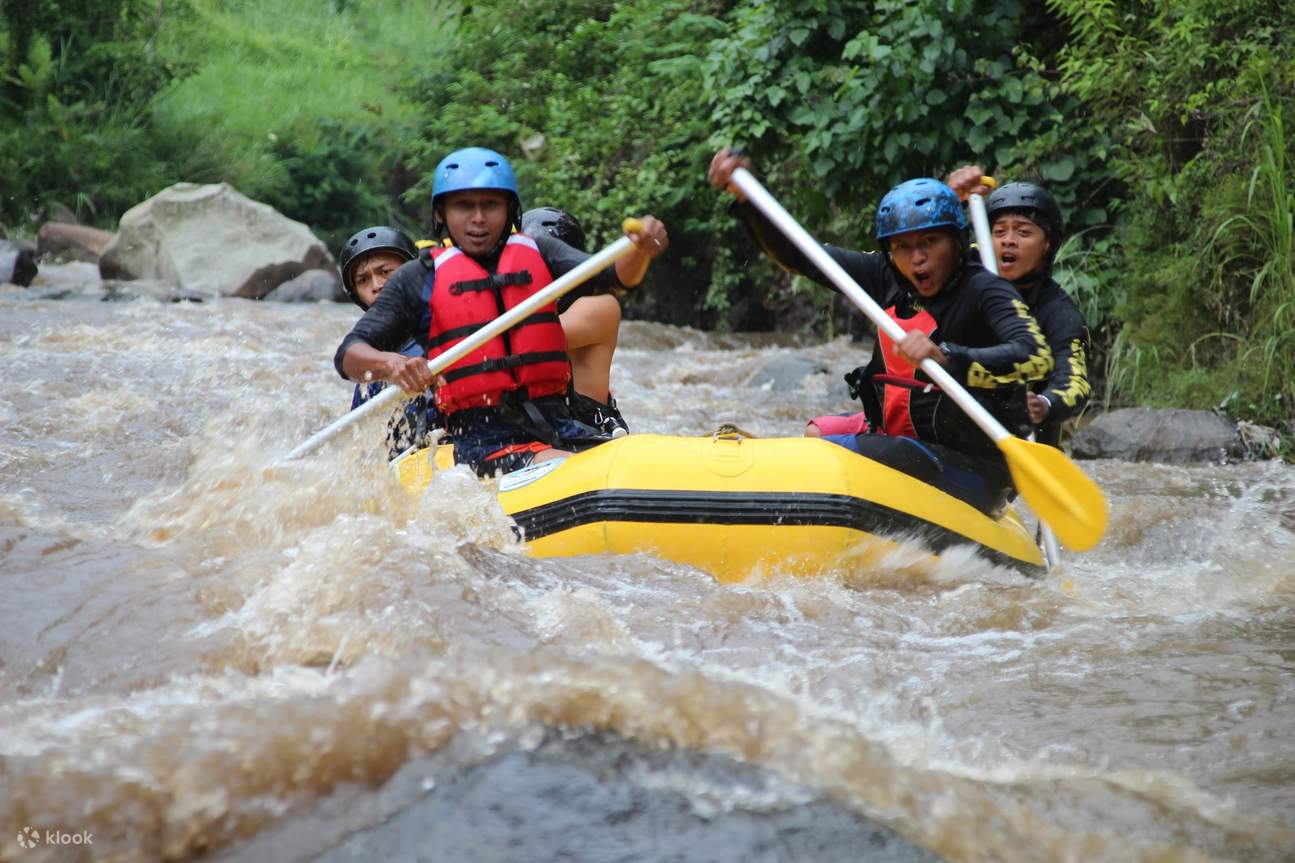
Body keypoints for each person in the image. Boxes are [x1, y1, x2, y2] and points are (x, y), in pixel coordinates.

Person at [708, 148, 1053, 515]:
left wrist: (950, 357)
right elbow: (801, 255)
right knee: (817, 433)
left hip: (973, 467)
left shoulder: (985, 290)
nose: (916, 258)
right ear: (889, 251)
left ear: (956, 240)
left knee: (831, 452)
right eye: (903, 247)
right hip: (903, 439)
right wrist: (747, 199)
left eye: (929, 242)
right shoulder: (885, 276)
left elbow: (1037, 358)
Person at [334, 146, 668, 476]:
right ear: (441, 214)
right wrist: (391, 364)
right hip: (485, 445)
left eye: (491, 204)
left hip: (563, 429)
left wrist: (639, 251)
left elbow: (613, 278)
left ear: (510, 209)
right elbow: (349, 354)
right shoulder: (418, 277)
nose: (478, 218)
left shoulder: (539, 251)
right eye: (464, 206)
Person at [945, 167, 1092, 446]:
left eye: (1023, 232)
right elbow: (924, 251)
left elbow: (1075, 382)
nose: (1008, 240)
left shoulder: (1059, 313)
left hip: (1016, 438)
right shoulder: (963, 268)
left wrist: (1044, 404)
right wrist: (950, 197)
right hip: (949, 425)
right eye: (999, 231)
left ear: (1047, 245)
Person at [520, 207, 628, 435]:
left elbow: (535, 340)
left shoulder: (601, 306)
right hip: (531, 433)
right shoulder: (516, 309)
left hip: (585, 436)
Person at [337, 225, 438, 456]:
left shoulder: (451, 318)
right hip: (414, 460)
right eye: (363, 280)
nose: (376, 285)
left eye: (385, 272)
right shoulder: (370, 367)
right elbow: (363, 448)